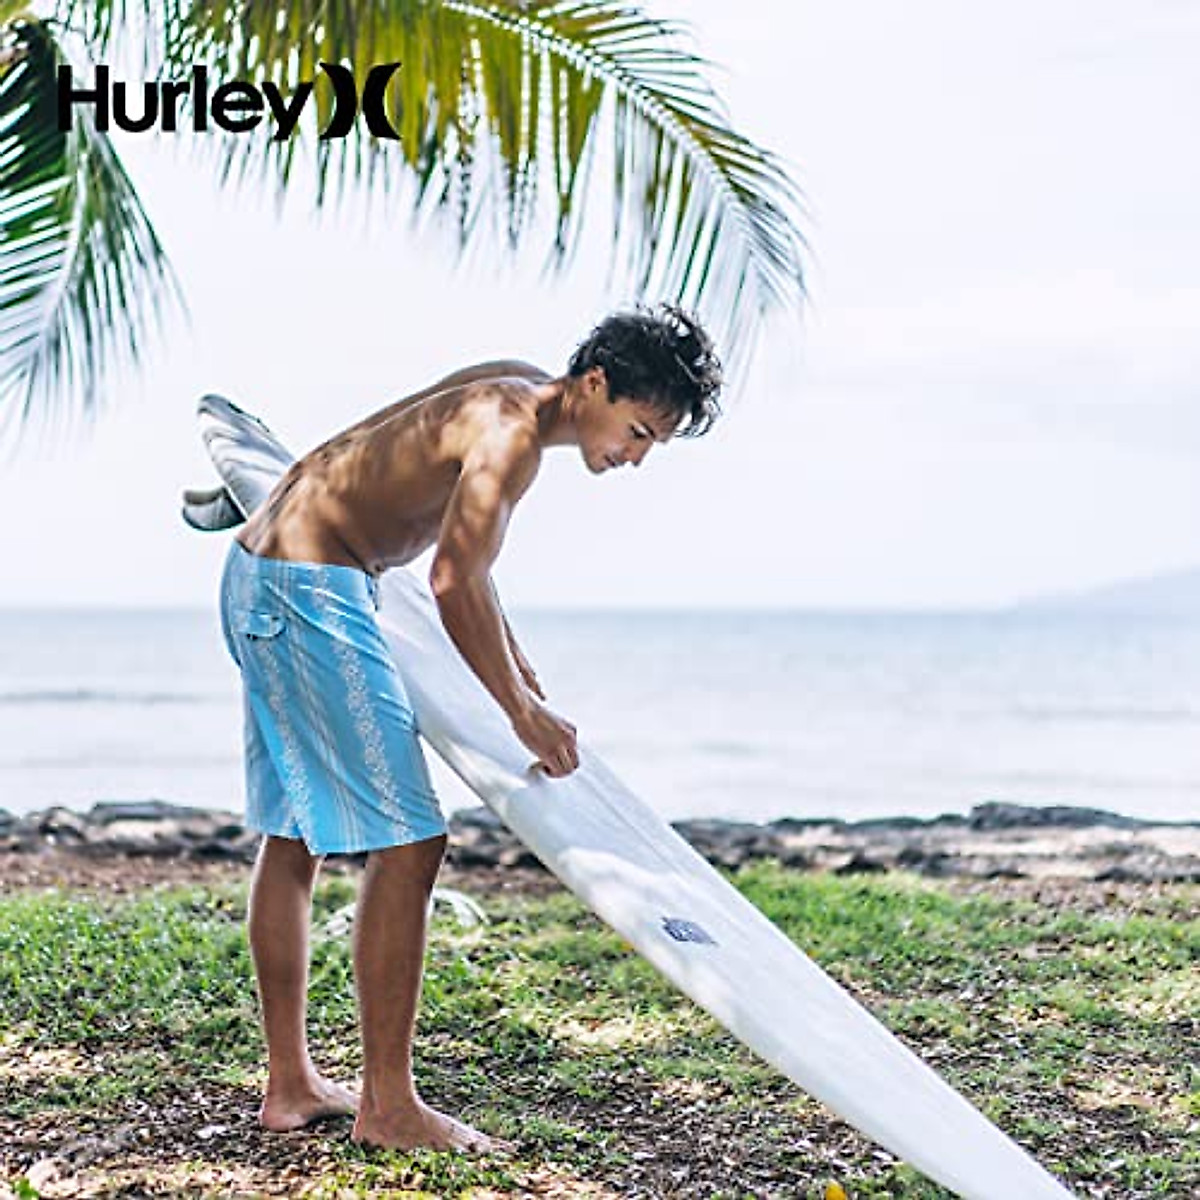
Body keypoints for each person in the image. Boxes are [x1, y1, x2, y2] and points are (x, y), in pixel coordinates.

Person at [217, 304, 723, 1152]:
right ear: (595, 384)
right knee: (412, 842)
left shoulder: (506, 387)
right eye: (637, 431)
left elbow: (466, 560)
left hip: (260, 574)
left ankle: (292, 1085)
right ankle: (388, 1108)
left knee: (294, 833)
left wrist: (514, 662)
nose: (635, 456)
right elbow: (452, 580)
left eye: (652, 446)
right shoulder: (511, 440)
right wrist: (524, 717)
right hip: (311, 592)